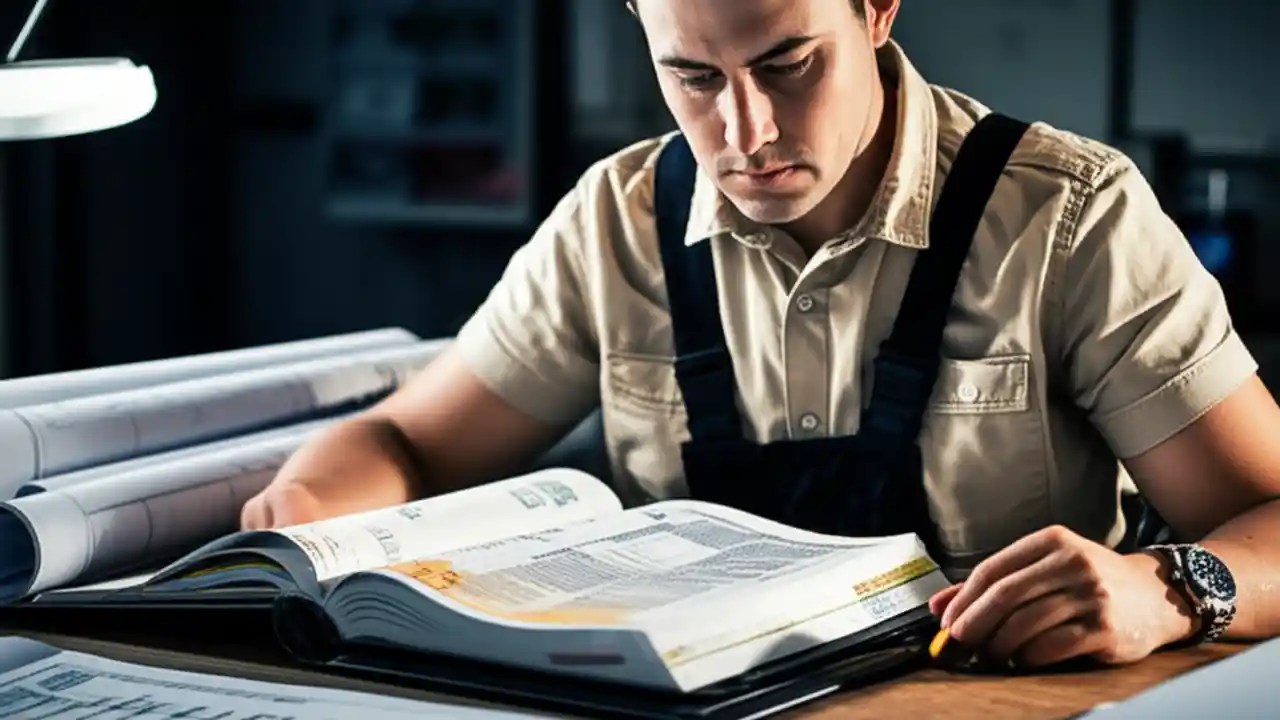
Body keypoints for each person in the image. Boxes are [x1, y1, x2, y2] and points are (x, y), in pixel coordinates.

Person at [241, 0, 1280, 669]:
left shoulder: (1071, 217)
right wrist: (312, 528)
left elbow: (1265, 513)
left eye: (787, 63)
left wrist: (1166, 591)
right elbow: (405, 443)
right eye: (691, 78)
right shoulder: (616, 220)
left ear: (875, 10)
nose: (744, 135)